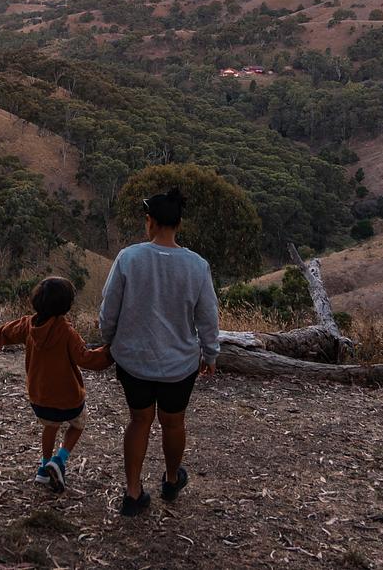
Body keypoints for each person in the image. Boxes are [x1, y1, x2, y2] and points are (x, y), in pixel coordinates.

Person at [99, 186, 220, 517]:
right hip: (178, 365)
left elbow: (110, 310)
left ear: (150, 222)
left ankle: (133, 493)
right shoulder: (197, 266)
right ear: (178, 224)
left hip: (133, 360)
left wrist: (108, 340)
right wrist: (210, 354)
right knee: (173, 422)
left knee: (139, 421)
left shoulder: (129, 258)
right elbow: (208, 317)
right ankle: (170, 479)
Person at [0, 276, 113, 493]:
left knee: (50, 426)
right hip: (69, 400)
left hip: (40, 399)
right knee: (78, 424)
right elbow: (85, 358)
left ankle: (43, 467)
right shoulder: (67, 332)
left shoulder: (28, 325)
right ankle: (60, 460)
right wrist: (109, 353)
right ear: (66, 305)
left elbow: (6, 331)